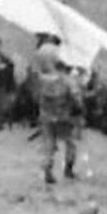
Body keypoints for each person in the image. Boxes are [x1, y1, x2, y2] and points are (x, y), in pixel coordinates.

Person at [33, 42, 79, 184]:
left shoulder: (39, 79)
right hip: (64, 116)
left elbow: (35, 97)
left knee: (49, 144)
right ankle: (68, 169)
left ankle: (47, 169)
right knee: (70, 143)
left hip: (46, 116)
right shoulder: (65, 80)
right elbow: (75, 97)